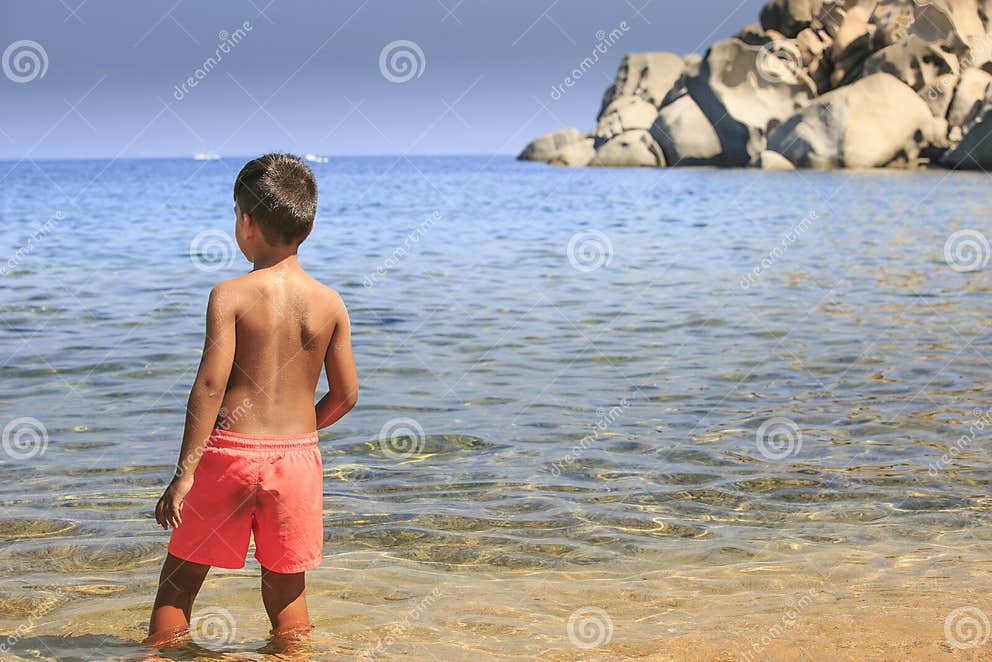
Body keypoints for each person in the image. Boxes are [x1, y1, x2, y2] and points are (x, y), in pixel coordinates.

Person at [145, 153, 358, 646]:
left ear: (245, 222)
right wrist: (301, 433)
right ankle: (290, 656)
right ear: (307, 224)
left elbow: (209, 386)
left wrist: (184, 473)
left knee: (178, 585)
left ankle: (156, 656)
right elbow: (347, 396)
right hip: (297, 460)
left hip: (229, 455)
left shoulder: (231, 294)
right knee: (286, 590)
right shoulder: (329, 303)